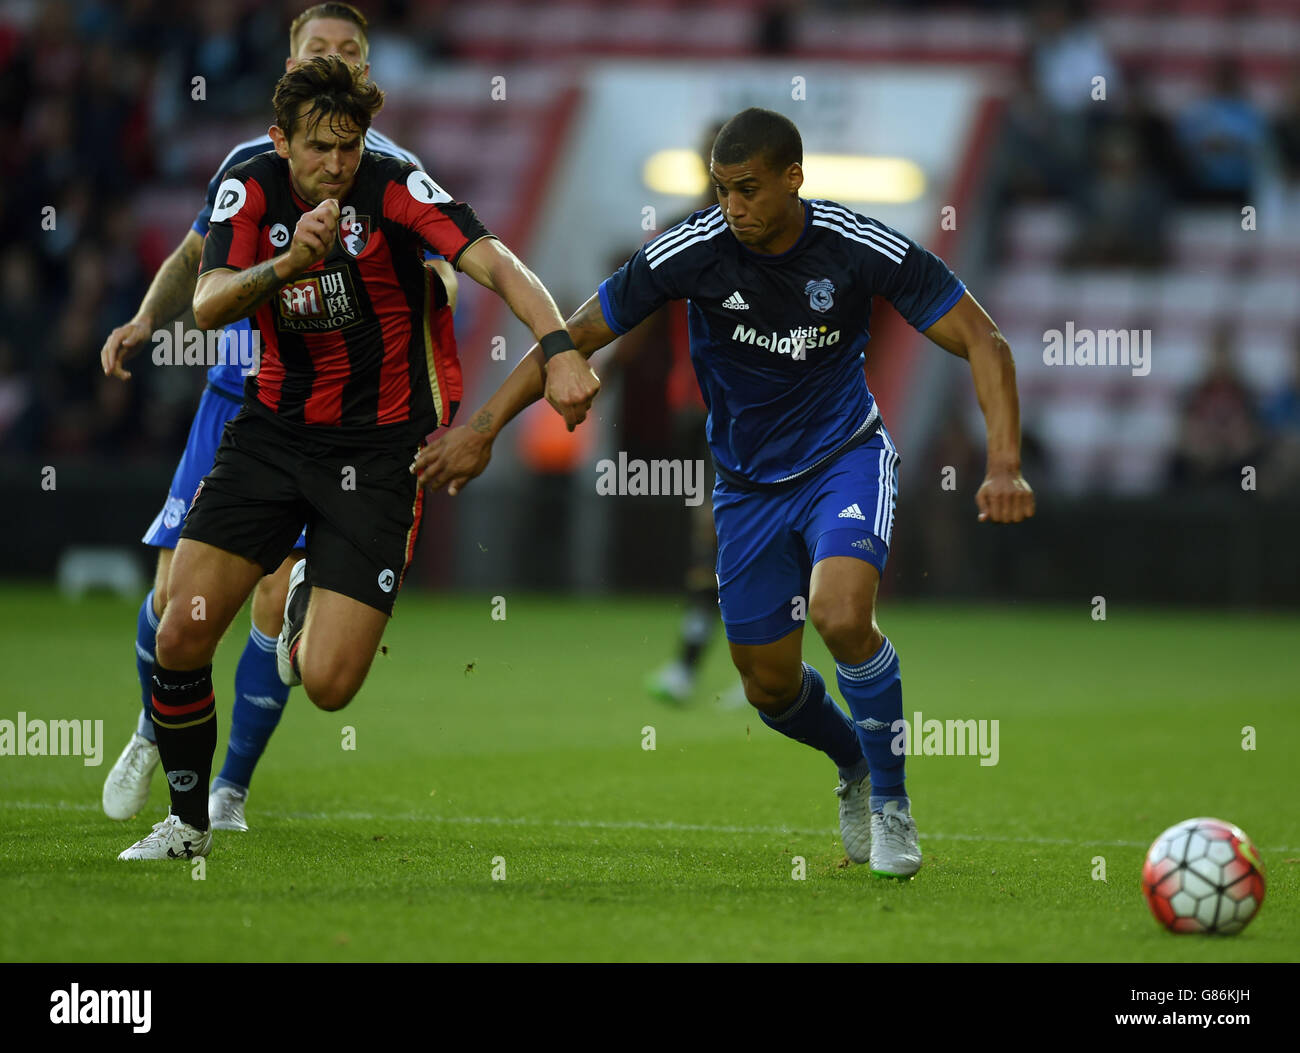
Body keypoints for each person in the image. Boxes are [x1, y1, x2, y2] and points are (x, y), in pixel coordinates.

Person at [414, 107, 1035, 878]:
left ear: (793, 179)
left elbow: (984, 338)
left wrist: (1003, 463)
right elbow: (573, 333)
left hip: (844, 457)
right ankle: (855, 763)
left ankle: (893, 807)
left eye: (746, 190)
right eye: (720, 190)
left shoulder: (856, 245)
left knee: (842, 616)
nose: (732, 207)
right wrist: (483, 428)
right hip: (744, 485)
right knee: (768, 683)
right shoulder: (695, 248)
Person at [116, 55, 597, 860]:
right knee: (181, 635)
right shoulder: (250, 185)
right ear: (281, 141)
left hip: (378, 456)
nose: (337, 165)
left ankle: (304, 592)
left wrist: (558, 351)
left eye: (350, 146)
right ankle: (188, 825)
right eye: (318, 149)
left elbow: (497, 261)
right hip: (270, 435)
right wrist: (288, 264)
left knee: (331, 685)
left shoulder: (394, 185)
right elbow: (205, 307)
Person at [99, 2, 449, 834]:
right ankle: (156, 728)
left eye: (350, 51)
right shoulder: (252, 161)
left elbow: (445, 269)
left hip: (331, 418)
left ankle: (228, 791)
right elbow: (196, 254)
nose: (333, 58)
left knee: (270, 599)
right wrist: (147, 319)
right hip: (237, 396)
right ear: (289, 66)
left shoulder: (390, 170)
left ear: (369, 75)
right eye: (316, 48)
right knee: (174, 597)